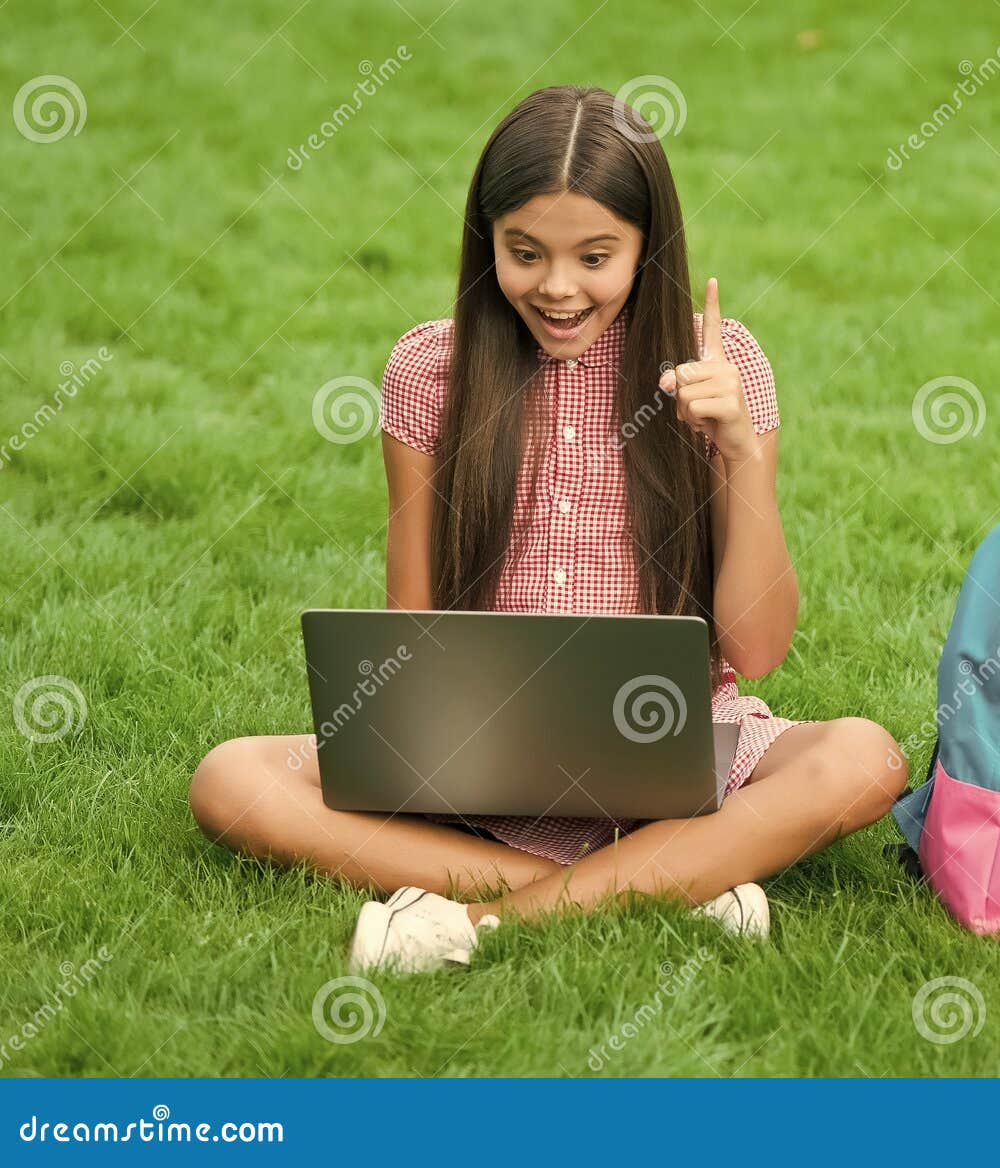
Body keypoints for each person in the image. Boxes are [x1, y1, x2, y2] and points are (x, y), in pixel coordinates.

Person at [187, 85, 905, 974]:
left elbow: (755, 649)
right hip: (483, 754)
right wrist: (432, 738)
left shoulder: (722, 365)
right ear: (486, 241)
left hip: (678, 753)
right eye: (525, 253)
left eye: (596, 256)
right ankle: (670, 881)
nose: (558, 288)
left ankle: (487, 917)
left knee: (865, 761)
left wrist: (740, 453)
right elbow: (413, 623)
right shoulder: (428, 369)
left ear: (651, 248)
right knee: (229, 778)